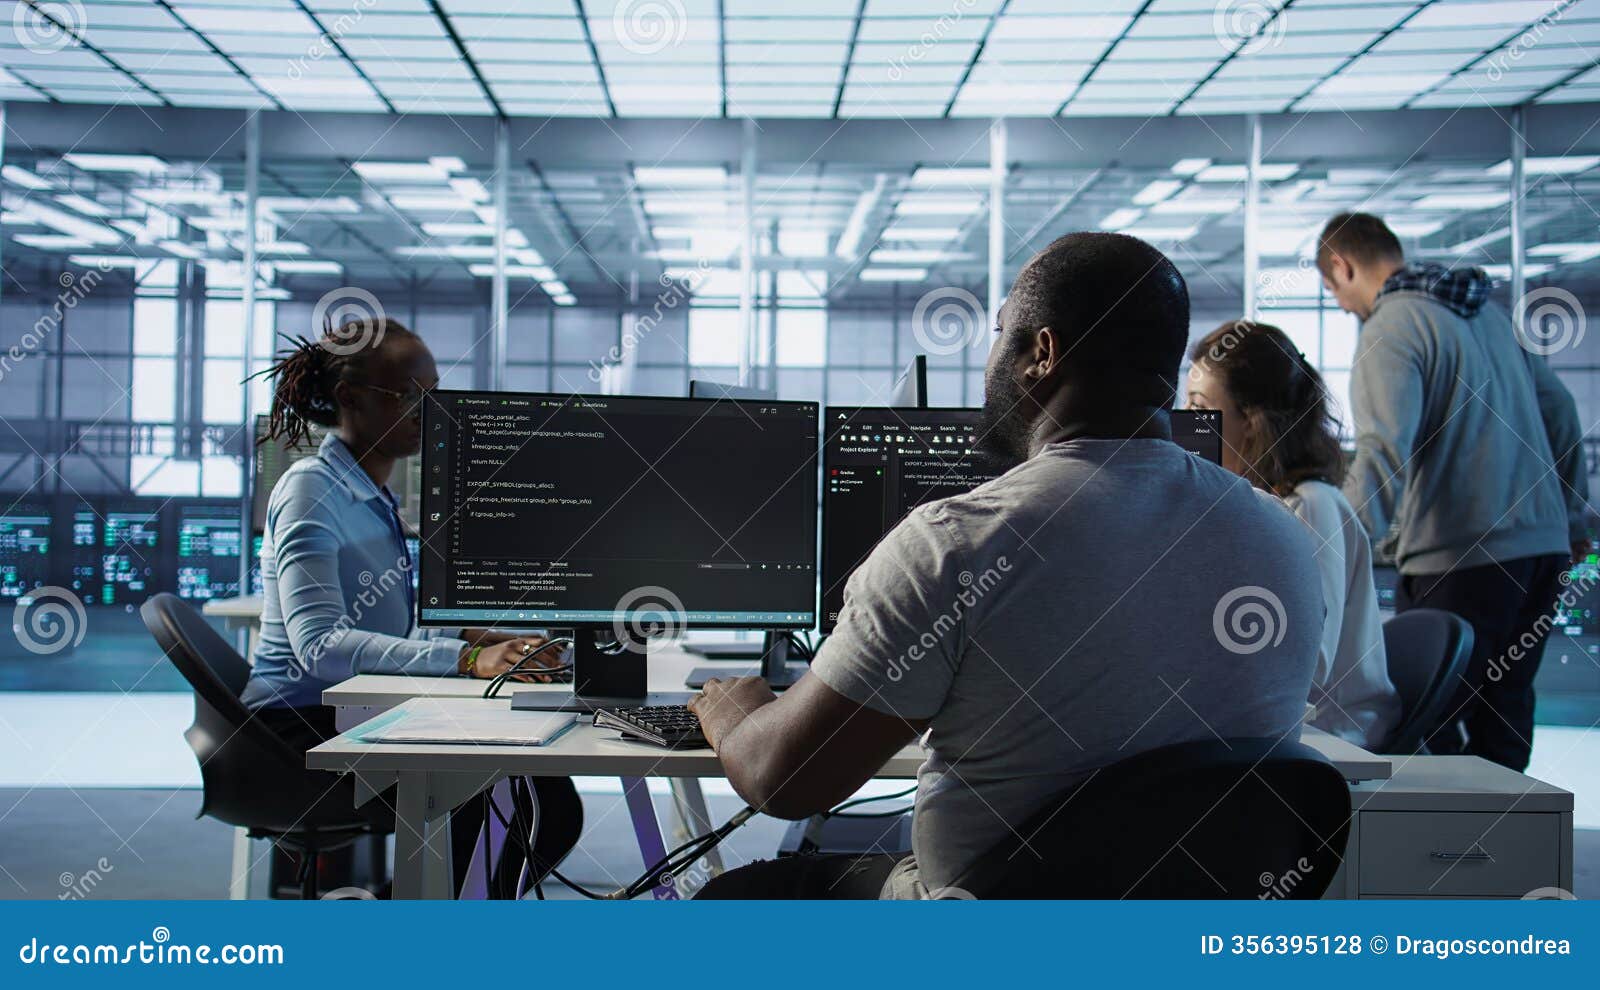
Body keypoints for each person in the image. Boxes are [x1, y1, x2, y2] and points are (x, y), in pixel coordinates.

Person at [688, 232, 1324, 899]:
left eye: (1000, 334)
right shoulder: (1282, 537)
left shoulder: (956, 543)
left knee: (731, 898)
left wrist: (736, 711)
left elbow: (787, 780)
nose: (989, 357)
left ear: (1041, 353)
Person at [239, 316, 582, 895]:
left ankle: (436, 918)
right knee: (512, 801)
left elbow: (389, 626)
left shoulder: (372, 496)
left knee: (544, 798)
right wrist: (469, 662)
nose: (431, 409)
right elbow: (322, 648)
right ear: (350, 399)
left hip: (356, 710)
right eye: (410, 396)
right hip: (296, 732)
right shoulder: (310, 490)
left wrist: (482, 641)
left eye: (434, 393)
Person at [1317, 211, 1590, 771]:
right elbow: (1560, 411)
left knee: (1425, 717)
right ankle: (1510, 849)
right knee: (1505, 709)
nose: (1343, 307)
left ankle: (1440, 851)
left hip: (1464, 554)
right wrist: (1574, 519)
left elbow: (1382, 451)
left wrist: (1331, 551)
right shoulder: (1485, 312)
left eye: (1332, 291)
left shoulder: (1390, 329)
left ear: (1342, 267)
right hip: (1541, 550)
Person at [1187, 320, 1400, 749]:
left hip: (1329, 733)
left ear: (1250, 421)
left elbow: (1305, 662)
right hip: (1283, 726)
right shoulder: (1251, 506)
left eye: (1198, 408)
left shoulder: (1311, 506)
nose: (1188, 426)